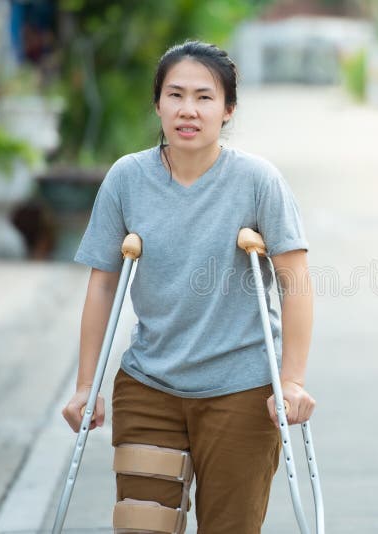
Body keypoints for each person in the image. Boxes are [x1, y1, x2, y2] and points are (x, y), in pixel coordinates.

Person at [61, 40, 315, 534]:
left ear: (228, 110)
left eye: (204, 97)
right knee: (142, 525)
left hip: (241, 391)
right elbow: (101, 285)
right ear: (157, 104)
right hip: (149, 386)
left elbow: (295, 280)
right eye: (175, 95)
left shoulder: (258, 181)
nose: (188, 110)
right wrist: (85, 385)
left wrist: (292, 381)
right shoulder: (126, 180)